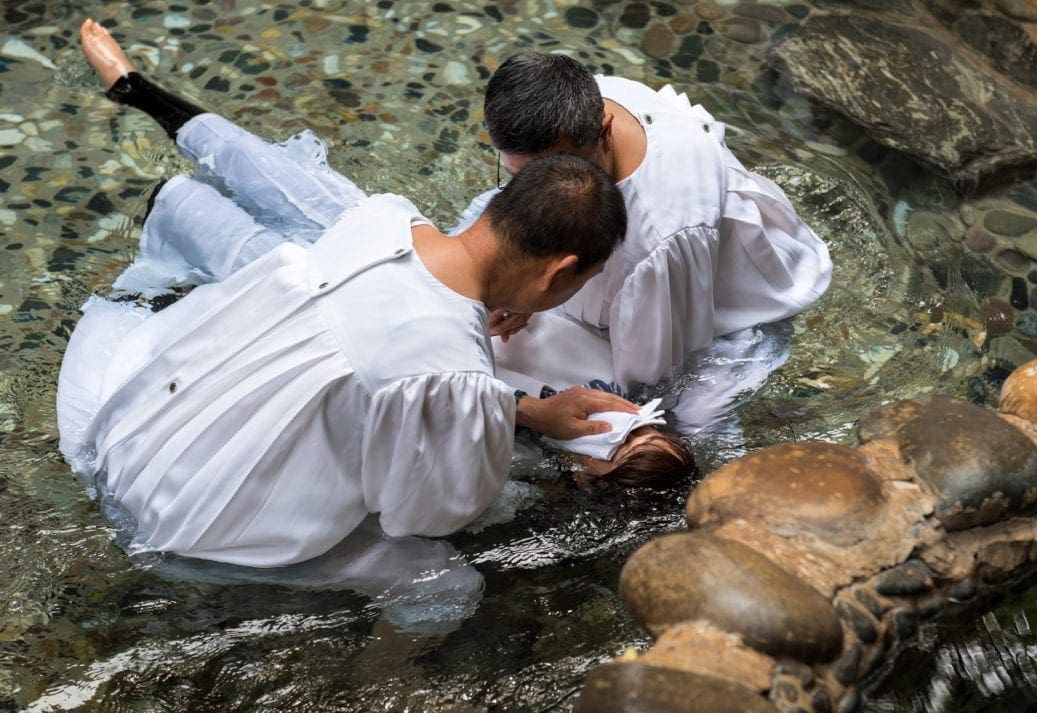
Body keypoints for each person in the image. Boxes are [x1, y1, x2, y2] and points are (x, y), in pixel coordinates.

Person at [58, 20, 642, 569]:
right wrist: (528, 442)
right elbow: (421, 515)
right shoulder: (456, 381)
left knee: (297, 202)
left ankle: (148, 109)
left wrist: (525, 409)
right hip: (185, 521)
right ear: (555, 273)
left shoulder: (386, 219)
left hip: (129, 427)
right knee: (443, 583)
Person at [454, 53, 833, 391]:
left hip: (719, 309)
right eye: (521, 175)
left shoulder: (658, 238)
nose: (538, 191)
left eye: (557, 171)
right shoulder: (568, 102)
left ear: (603, 131)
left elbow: (652, 375)